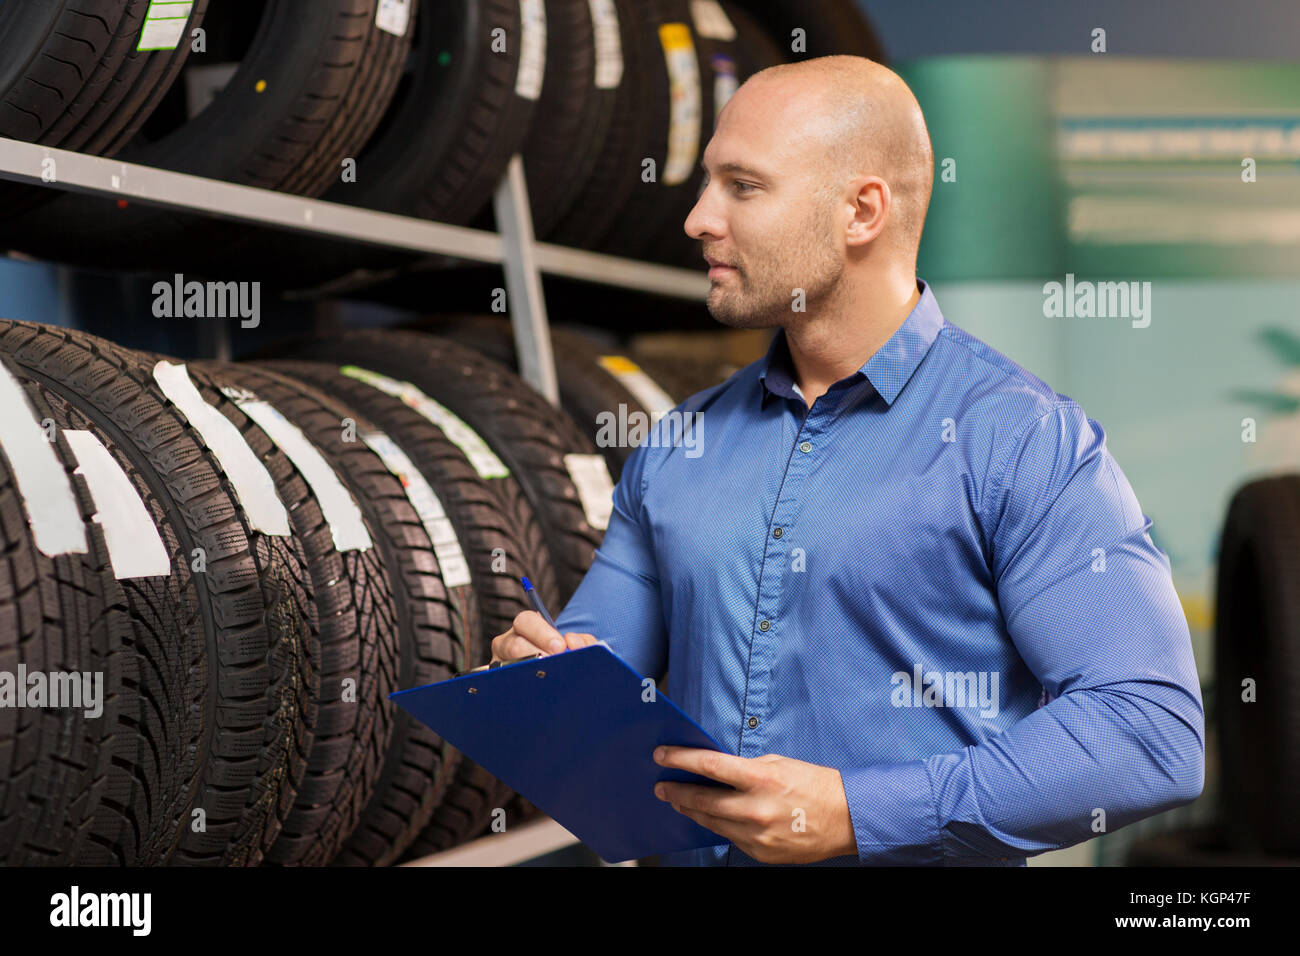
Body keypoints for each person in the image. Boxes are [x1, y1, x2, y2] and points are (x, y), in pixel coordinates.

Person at [490, 55, 1204, 866]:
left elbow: (1148, 734)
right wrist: (545, 675)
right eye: (705, 184)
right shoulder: (678, 444)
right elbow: (597, 664)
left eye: (742, 186)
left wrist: (858, 812)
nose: (697, 219)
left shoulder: (1020, 438)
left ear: (862, 210)